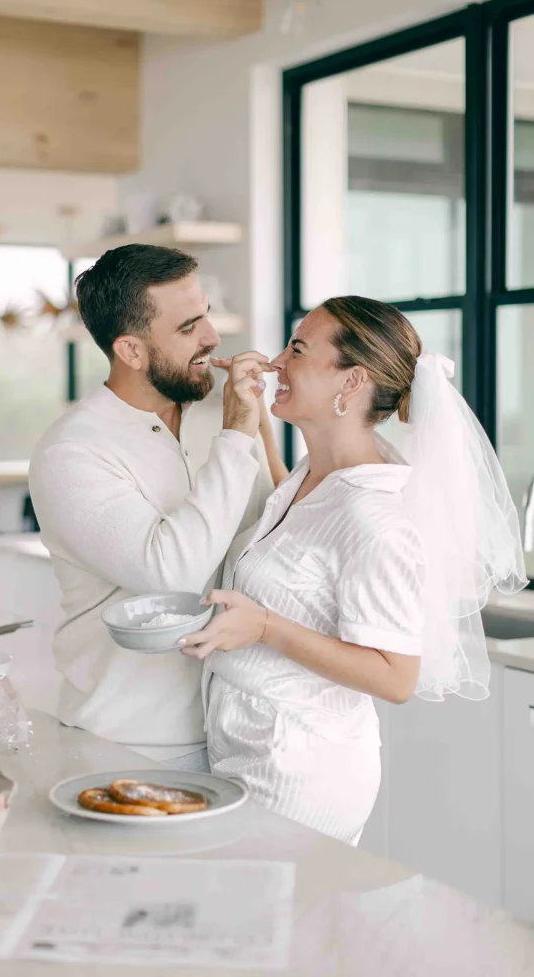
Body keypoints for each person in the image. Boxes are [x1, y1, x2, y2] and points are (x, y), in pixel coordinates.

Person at [181, 296, 526, 844]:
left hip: (298, 774)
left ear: (351, 382)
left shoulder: (375, 518)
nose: (274, 362)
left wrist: (266, 626)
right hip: (244, 751)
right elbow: (292, 531)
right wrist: (252, 422)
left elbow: (395, 677)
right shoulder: (314, 475)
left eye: (297, 348)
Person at [28, 244, 274, 765]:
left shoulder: (223, 415)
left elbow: (268, 540)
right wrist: (237, 436)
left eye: (206, 314)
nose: (212, 337)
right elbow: (171, 572)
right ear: (131, 351)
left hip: (240, 734)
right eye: (189, 328)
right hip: (123, 744)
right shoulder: (72, 452)